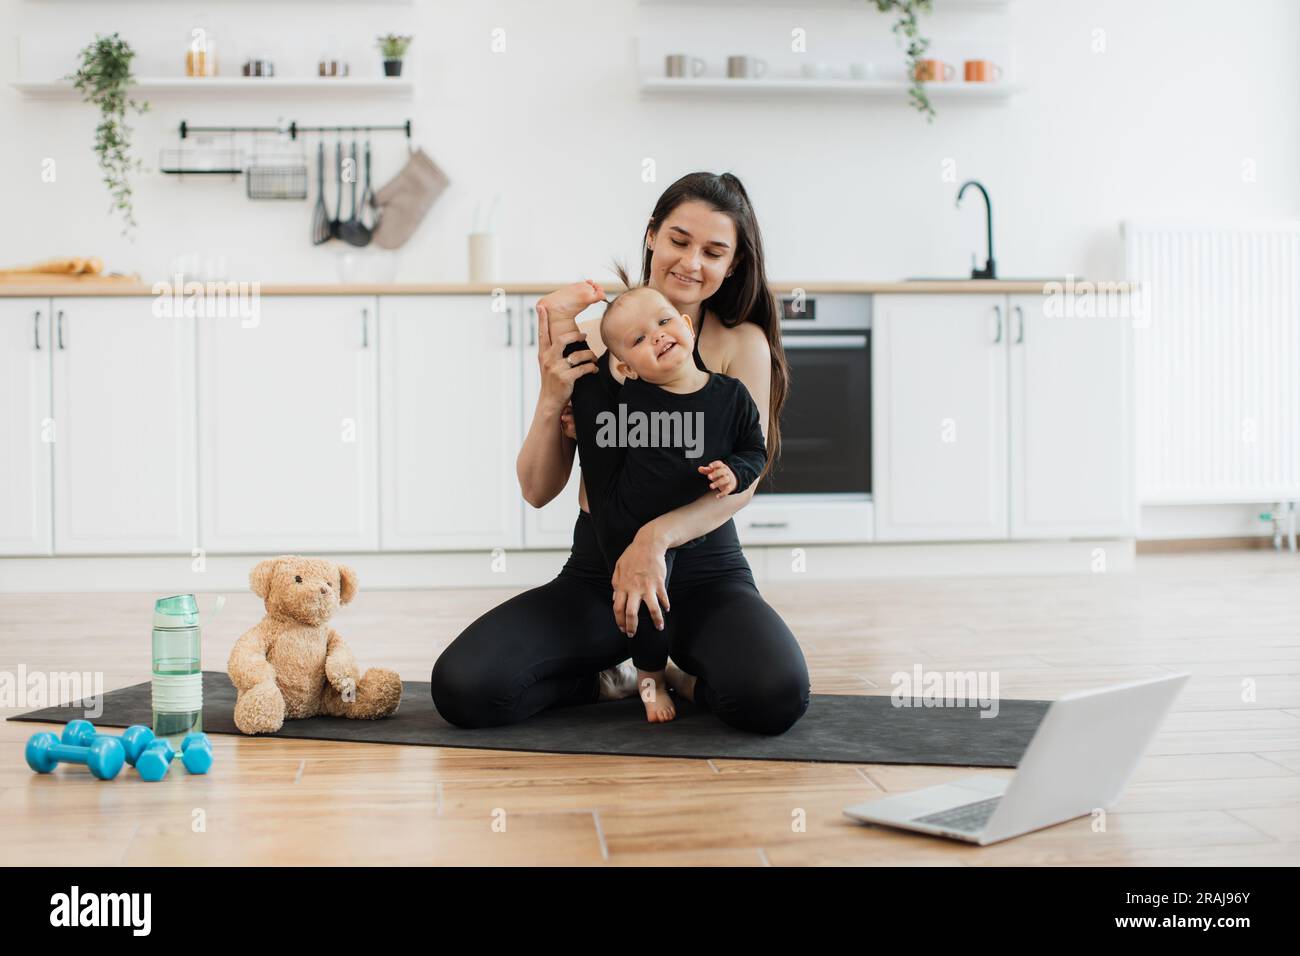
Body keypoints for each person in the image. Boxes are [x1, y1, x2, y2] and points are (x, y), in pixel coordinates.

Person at [431, 171, 810, 735]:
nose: (691, 262)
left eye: (713, 251)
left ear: (732, 265)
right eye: (679, 240)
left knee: (774, 696)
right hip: (599, 576)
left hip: (706, 575)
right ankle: (614, 677)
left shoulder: (740, 345)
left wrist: (653, 539)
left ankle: (681, 672)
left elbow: (744, 482)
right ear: (652, 235)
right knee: (463, 688)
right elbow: (537, 491)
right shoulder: (596, 336)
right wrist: (551, 395)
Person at [572, 283, 767, 722]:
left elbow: (756, 449)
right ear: (628, 367)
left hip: (693, 536)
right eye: (639, 340)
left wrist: (736, 471)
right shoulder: (633, 398)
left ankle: (681, 672)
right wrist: (573, 423)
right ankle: (650, 678)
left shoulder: (731, 395)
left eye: (663, 323)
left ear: (686, 326)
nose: (657, 336)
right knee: (646, 610)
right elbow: (602, 432)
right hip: (629, 525)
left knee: (766, 691)